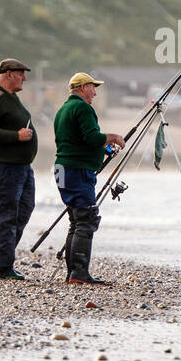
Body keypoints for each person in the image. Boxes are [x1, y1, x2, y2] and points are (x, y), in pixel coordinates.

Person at [53, 72, 125, 285]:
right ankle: (79, 274)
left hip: (63, 169)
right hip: (77, 171)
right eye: (93, 87)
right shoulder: (83, 108)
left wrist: (104, 148)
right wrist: (114, 137)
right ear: (83, 87)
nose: (95, 92)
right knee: (86, 219)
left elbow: (80, 141)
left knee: (76, 220)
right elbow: (92, 137)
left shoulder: (63, 109)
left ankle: (73, 273)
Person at [0, 58, 37, 280]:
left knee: (24, 210)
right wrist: (17, 136)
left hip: (20, 167)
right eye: (21, 73)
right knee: (7, 216)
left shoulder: (12, 98)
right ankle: (3, 267)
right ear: (9, 73)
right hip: (3, 167)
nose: (25, 78)